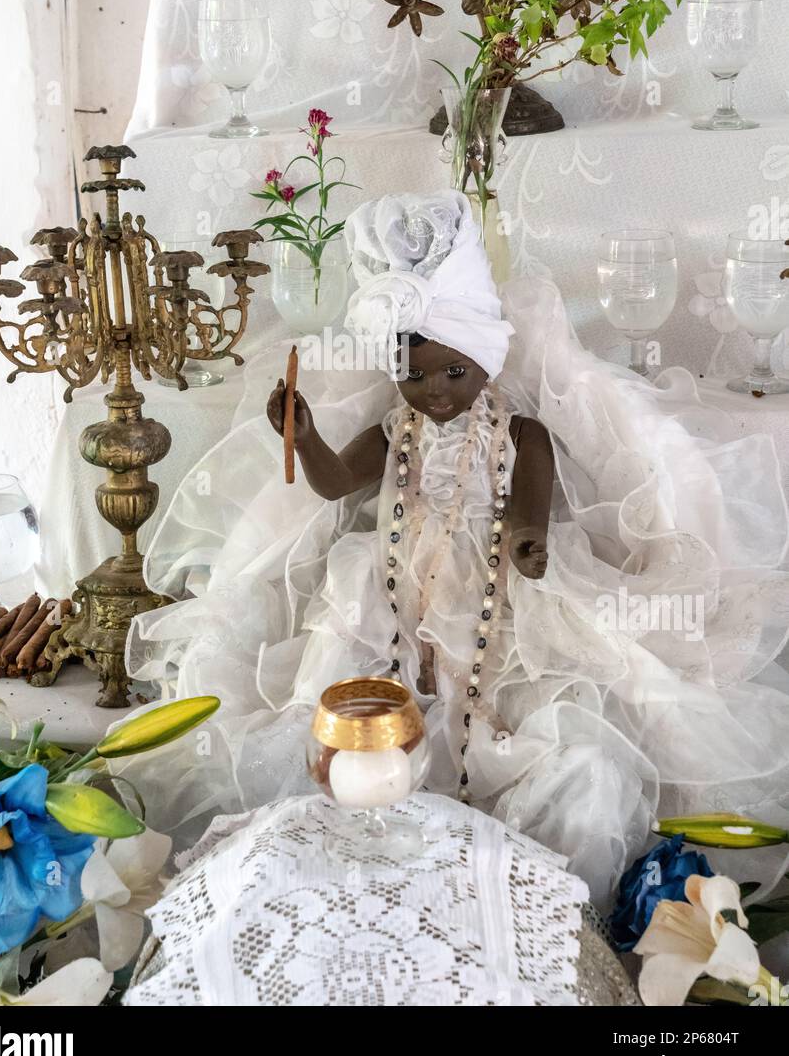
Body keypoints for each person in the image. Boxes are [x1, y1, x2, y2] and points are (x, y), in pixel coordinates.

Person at [126, 191, 789, 908]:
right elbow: (332, 484)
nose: (434, 392)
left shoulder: (518, 433)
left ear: (486, 363)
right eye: (414, 374)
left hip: (493, 591)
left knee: (525, 708)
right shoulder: (391, 430)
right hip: (387, 589)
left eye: (453, 373)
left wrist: (530, 543)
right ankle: (355, 824)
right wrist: (306, 436)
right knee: (342, 691)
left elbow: (529, 510)